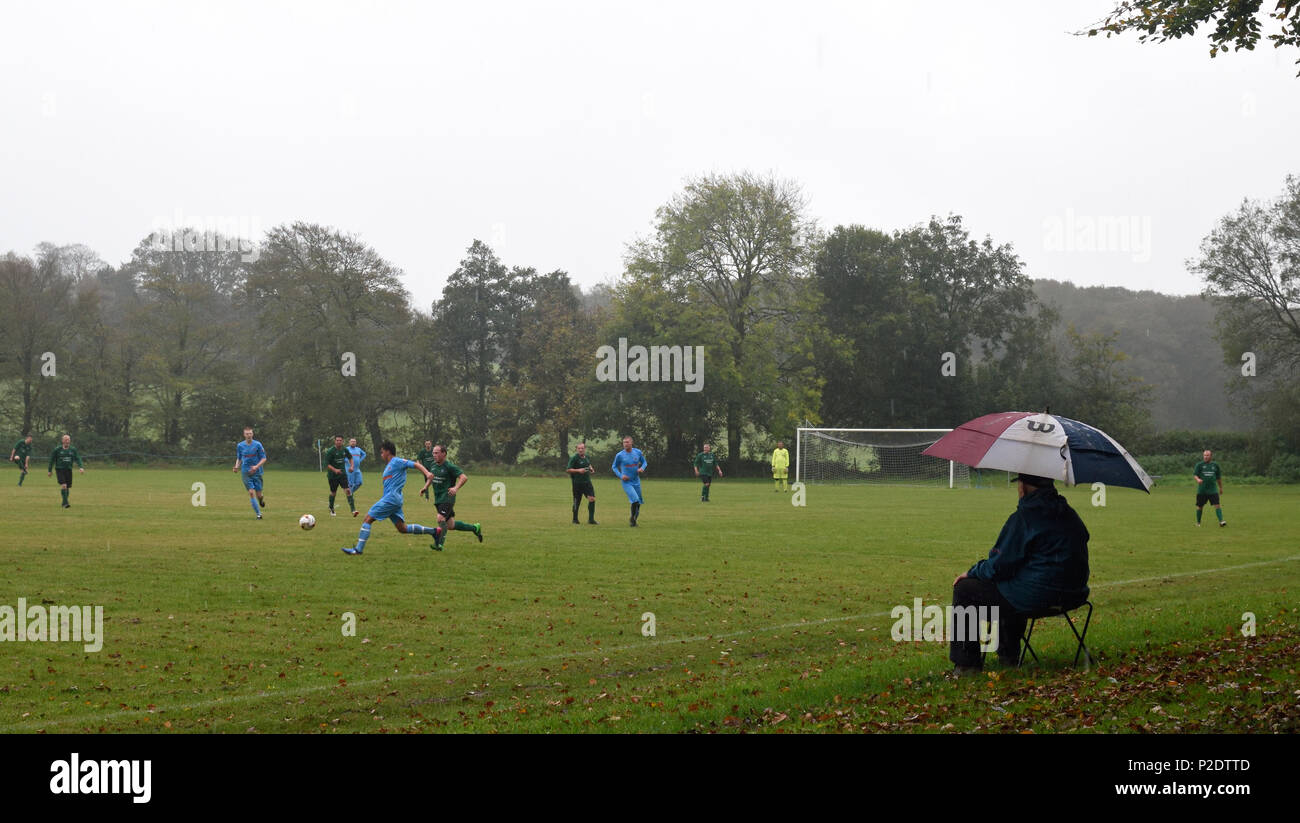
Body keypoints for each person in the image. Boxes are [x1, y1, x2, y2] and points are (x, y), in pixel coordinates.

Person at [949, 473, 1090, 675]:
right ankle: (1007, 654)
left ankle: (967, 664)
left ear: (1022, 488)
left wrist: (971, 572)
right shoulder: (1070, 513)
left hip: (1039, 597)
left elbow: (998, 565)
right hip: (1074, 594)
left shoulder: (1024, 518)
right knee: (1015, 582)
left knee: (965, 589)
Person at [341, 440, 439, 555]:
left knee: (368, 519)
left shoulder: (397, 461)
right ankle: (434, 532)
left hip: (391, 498)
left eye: (382, 452)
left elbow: (415, 464)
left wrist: (427, 474)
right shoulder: (389, 465)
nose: (381, 454)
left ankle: (358, 550)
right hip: (394, 499)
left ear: (388, 452)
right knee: (402, 528)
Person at [427, 444, 482, 550]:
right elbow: (431, 478)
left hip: (448, 498)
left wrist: (455, 488)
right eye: (433, 453)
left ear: (444, 454)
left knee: (440, 518)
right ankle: (475, 528)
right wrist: (425, 487)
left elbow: (464, 477)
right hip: (438, 499)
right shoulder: (433, 466)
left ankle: (439, 544)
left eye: (436, 453)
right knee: (450, 525)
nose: (434, 455)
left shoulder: (449, 466)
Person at [232, 426, 267, 519]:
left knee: (259, 494)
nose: (249, 435)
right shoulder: (240, 446)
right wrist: (236, 466)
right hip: (246, 472)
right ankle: (259, 514)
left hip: (257, 472)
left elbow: (264, 458)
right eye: (247, 434)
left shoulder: (258, 445)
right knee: (251, 492)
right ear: (244, 435)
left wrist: (256, 466)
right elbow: (239, 458)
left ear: (253, 434)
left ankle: (261, 501)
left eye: (250, 433)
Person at [612, 436, 647, 527]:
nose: (625, 444)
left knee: (638, 501)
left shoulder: (637, 452)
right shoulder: (619, 455)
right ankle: (632, 518)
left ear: (632, 443)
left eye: (627, 442)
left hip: (636, 481)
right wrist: (621, 475)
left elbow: (644, 462)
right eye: (624, 442)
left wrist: (642, 468)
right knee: (635, 500)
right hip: (627, 482)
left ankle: (634, 521)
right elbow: (614, 467)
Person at [47, 434, 85, 509]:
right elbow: (52, 460)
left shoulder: (73, 450)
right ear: (62, 441)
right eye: (66, 440)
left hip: (69, 470)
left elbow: (77, 458)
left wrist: (81, 467)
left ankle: (64, 502)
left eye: (68, 440)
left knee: (67, 487)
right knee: (64, 485)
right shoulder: (57, 450)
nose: (67, 441)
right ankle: (66, 503)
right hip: (60, 469)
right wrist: (49, 470)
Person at [323, 435, 358, 517]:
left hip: (342, 475)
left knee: (348, 491)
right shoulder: (330, 451)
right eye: (337, 440)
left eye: (340, 440)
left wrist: (352, 466)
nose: (339, 442)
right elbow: (326, 464)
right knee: (333, 493)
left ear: (342, 441)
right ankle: (331, 508)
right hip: (332, 476)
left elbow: (350, 457)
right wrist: (335, 470)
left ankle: (353, 510)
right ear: (335, 441)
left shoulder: (344, 450)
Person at [566, 442, 598, 524]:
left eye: (582, 448)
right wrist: (578, 470)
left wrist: (591, 468)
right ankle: (575, 519)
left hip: (587, 482)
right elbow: (568, 470)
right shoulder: (574, 458)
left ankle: (591, 520)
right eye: (579, 448)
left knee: (592, 499)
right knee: (577, 501)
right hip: (577, 483)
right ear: (577, 449)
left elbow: (588, 464)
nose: (580, 450)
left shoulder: (586, 457)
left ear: (585, 449)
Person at [1193, 449, 1226, 527]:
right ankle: (1198, 523)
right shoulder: (1199, 465)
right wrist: (1198, 479)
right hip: (1202, 490)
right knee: (1200, 507)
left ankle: (1221, 521)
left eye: (1207, 455)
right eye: (1204, 455)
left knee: (1217, 505)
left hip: (1213, 490)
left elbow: (1218, 478)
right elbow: (1195, 475)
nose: (1206, 457)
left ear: (1211, 456)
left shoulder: (1215, 465)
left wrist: (1220, 488)